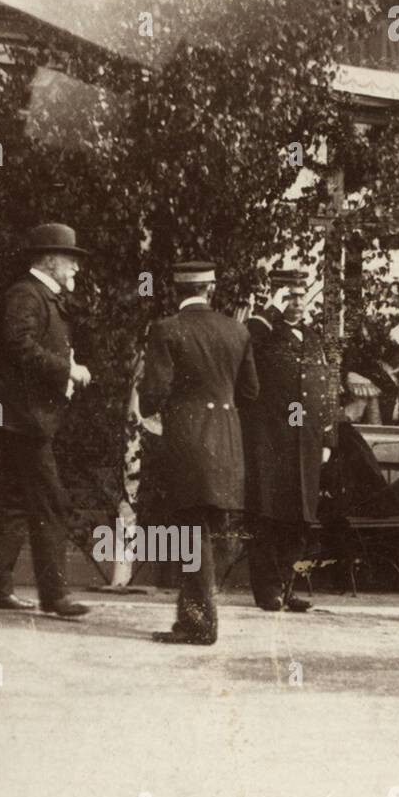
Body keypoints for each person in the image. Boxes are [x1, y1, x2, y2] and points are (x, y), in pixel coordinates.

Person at [0, 224, 94, 619]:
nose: (76, 267)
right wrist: (67, 372)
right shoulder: (26, 294)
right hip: (25, 420)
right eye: (71, 259)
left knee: (13, 502)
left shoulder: (40, 296)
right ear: (49, 259)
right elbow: (19, 346)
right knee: (50, 503)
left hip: (24, 418)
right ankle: (55, 595)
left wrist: (66, 365)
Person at [139, 260, 259, 644]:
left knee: (192, 531)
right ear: (211, 289)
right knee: (203, 531)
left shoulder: (166, 329)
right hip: (226, 439)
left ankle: (199, 623)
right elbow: (251, 392)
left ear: (176, 291)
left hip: (187, 440)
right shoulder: (237, 330)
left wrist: (151, 405)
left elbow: (153, 394)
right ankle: (194, 617)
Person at [242, 269, 337, 611]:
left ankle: (287, 585)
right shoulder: (263, 333)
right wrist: (268, 312)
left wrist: (328, 436)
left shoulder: (313, 338)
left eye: (300, 295)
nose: (296, 302)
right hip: (271, 440)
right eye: (289, 296)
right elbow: (242, 345)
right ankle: (267, 589)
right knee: (268, 514)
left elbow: (326, 389)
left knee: (300, 516)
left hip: (307, 442)